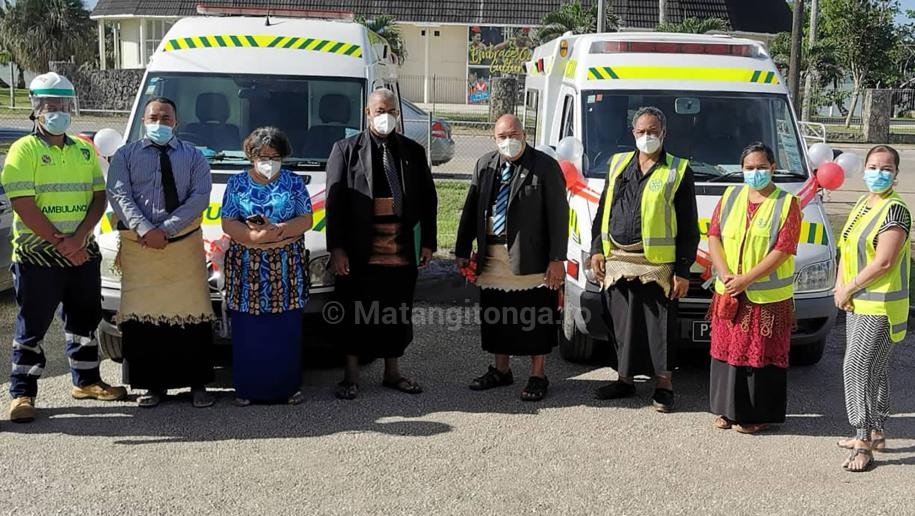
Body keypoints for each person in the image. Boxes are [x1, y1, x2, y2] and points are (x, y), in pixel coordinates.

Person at [2, 72, 126, 423]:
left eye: (63, 106)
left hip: (81, 254)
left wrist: (79, 239)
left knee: (84, 321)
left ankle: (86, 381)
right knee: (33, 325)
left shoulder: (84, 148)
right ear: (36, 109)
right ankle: (22, 392)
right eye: (50, 106)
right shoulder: (23, 150)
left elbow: (99, 197)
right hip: (36, 256)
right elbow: (23, 203)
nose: (58, 112)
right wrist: (62, 242)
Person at [325, 88, 438, 400]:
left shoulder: (412, 152)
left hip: (401, 248)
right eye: (379, 111)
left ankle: (393, 371)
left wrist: (428, 241)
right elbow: (334, 205)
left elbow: (429, 199)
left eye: (391, 111)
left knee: (395, 311)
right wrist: (337, 248)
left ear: (397, 115)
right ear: (367, 113)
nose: (385, 116)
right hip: (359, 249)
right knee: (354, 312)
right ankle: (350, 376)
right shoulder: (345, 150)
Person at [107, 96, 215, 408]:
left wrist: (165, 230)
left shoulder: (194, 156)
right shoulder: (125, 156)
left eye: (166, 118)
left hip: (182, 246)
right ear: (143, 120)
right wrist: (145, 229)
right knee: (145, 321)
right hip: (140, 249)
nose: (160, 123)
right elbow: (118, 193)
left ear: (176, 123)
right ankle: (153, 386)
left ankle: (197, 385)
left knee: (192, 318)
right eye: (154, 117)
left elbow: (200, 196)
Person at [589, 106, 699, 412]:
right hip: (619, 260)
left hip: (657, 266)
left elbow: (689, 225)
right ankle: (624, 380)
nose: (647, 136)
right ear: (633, 133)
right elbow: (603, 211)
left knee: (658, 327)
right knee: (621, 324)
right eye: (641, 131)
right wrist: (596, 248)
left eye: (653, 131)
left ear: (663, 133)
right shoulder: (618, 164)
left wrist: (682, 270)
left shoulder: (678, 170)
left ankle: (663, 386)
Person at [455, 114, 568, 401]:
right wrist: (460, 250)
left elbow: (558, 216)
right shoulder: (485, 165)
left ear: (524, 134)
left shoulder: (545, 166)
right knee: (497, 316)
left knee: (535, 318)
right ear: (494, 138)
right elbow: (471, 210)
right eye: (502, 136)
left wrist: (557, 259)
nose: (509, 140)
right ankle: (500, 370)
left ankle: (538, 374)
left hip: (532, 260)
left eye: (514, 134)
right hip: (493, 256)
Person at [706, 142, 801, 434]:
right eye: (749, 168)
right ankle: (726, 410)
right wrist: (725, 274)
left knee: (758, 357)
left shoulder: (787, 203)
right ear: (741, 169)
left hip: (766, 298)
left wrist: (746, 279)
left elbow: (784, 249)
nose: (755, 172)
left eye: (761, 167)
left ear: (773, 168)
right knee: (727, 353)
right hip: (730, 291)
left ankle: (755, 416)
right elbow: (714, 235)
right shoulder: (731, 195)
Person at [221, 127, 313, 406]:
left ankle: (287, 388)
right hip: (246, 271)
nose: (268, 161)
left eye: (274, 156)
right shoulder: (236, 183)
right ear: (251, 155)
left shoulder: (294, 183)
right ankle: (249, 389)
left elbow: (306, 218)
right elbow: (228, 221)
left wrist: (282, 230)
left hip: (285, 270)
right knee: (251, 332)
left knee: (284, 331)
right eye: (262, 156)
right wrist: (252, 236)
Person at [834, 145, 910, 473]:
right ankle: (877, 431)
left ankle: (863, 441)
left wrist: (850, 287)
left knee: (855, 368)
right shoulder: (864, 204)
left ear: (895, 174)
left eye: (886, 168)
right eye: (873, 166)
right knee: (874, 370)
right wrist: (841, 286)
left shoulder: (895, 211)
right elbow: (847, 247)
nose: (878, 173)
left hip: (878, 303)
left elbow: (885, 261)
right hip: (857, 300)